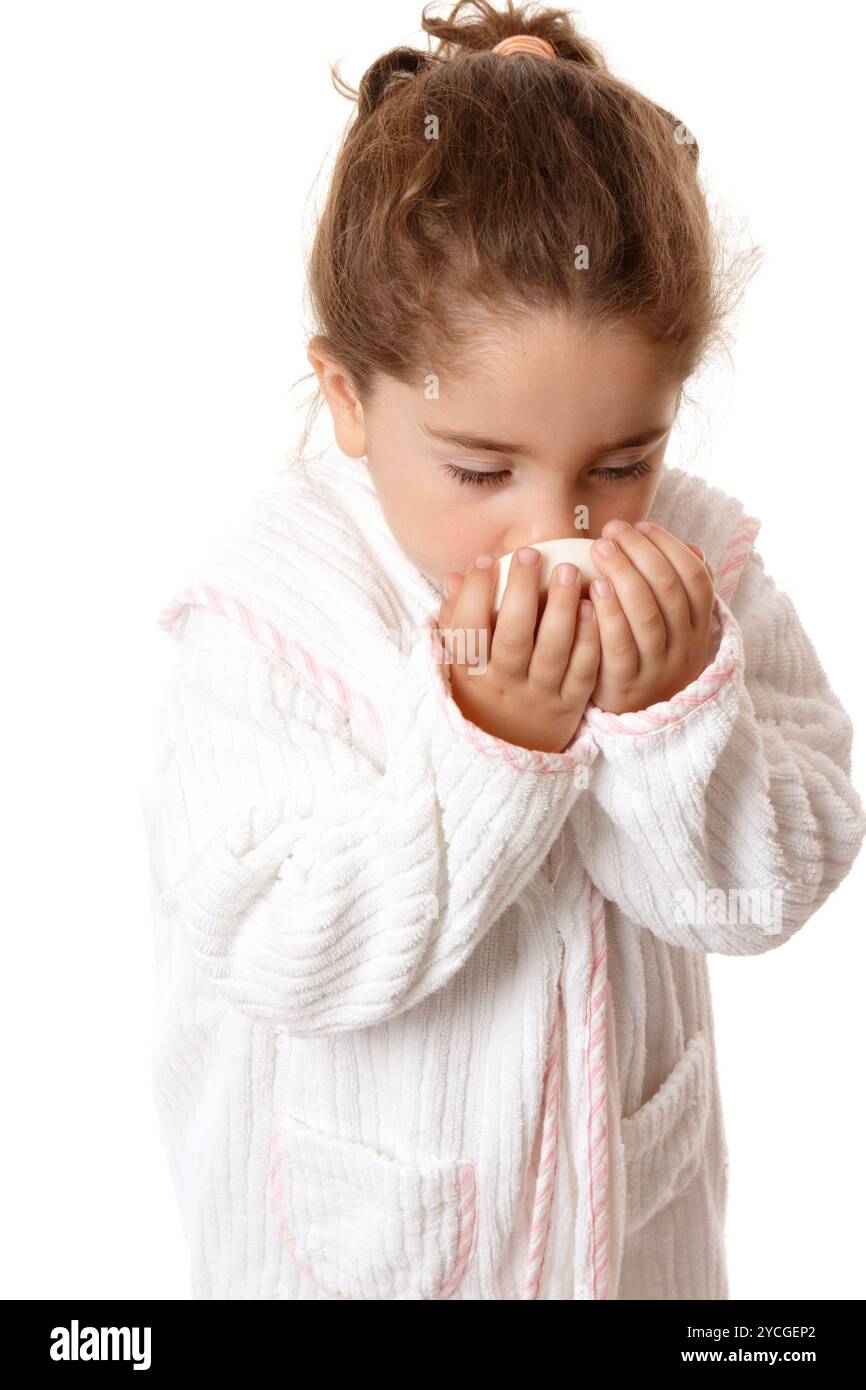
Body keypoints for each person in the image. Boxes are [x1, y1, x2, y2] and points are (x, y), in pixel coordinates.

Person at [138, 0, 866, 1299]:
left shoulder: (703, 570)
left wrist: (677, 718)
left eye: (624, 458)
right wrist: (490, 746)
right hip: (353, 1253)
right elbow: (277, 951)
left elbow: (761, 899)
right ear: (347, 400)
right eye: (480, 467)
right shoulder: (267, 611)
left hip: (625, 1246)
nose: (560, 525)